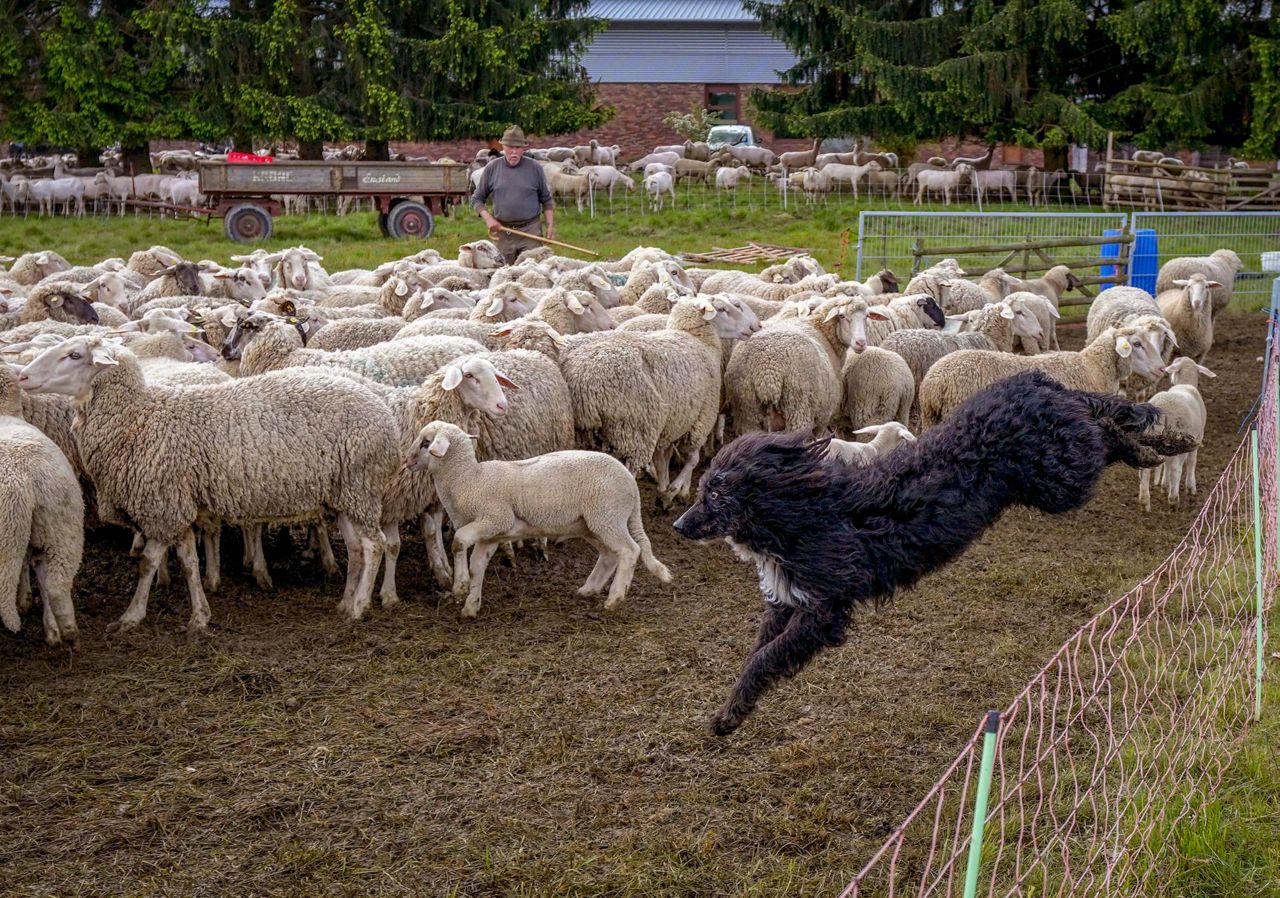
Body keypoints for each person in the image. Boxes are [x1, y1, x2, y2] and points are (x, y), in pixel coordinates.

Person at [470, 125, 555, 264]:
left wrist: (550, 226)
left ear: (523, 148)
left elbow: (546, 200)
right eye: (510, 147)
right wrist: (488, 219)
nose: (514, 152)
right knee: (503, 274)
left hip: (530, 232)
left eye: (518, 148)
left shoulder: (535, 168)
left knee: (532, 274)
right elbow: (477, 199)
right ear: (503, 147)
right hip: (503, 232)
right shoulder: (492, 168)